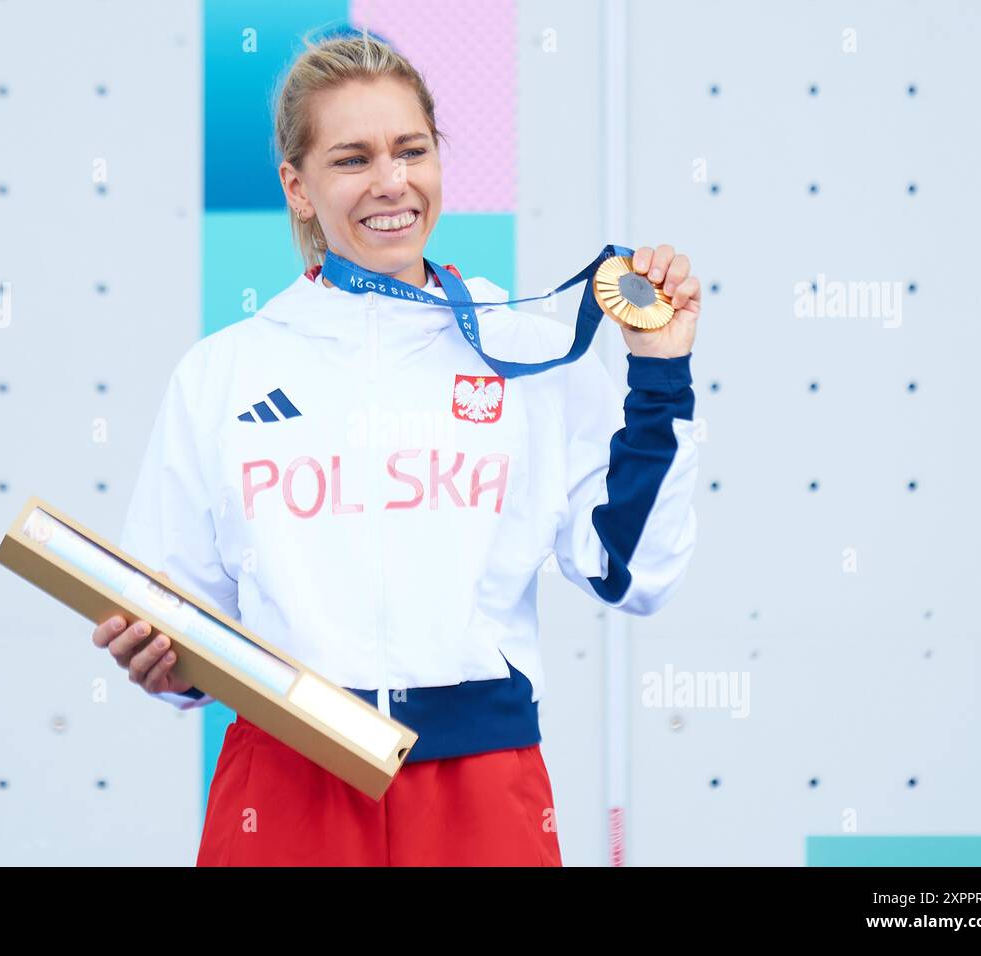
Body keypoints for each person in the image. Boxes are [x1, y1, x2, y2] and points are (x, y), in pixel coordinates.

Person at [92, 29, 701, 866]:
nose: (392, 182)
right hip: (284, 780)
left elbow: (632, 571)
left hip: (481, 783)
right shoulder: (222, 373)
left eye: (412, 149)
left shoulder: (525, 354)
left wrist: (660, 374)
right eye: (352, 159)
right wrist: (169, 666)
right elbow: (182, 615)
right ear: (297, 188)